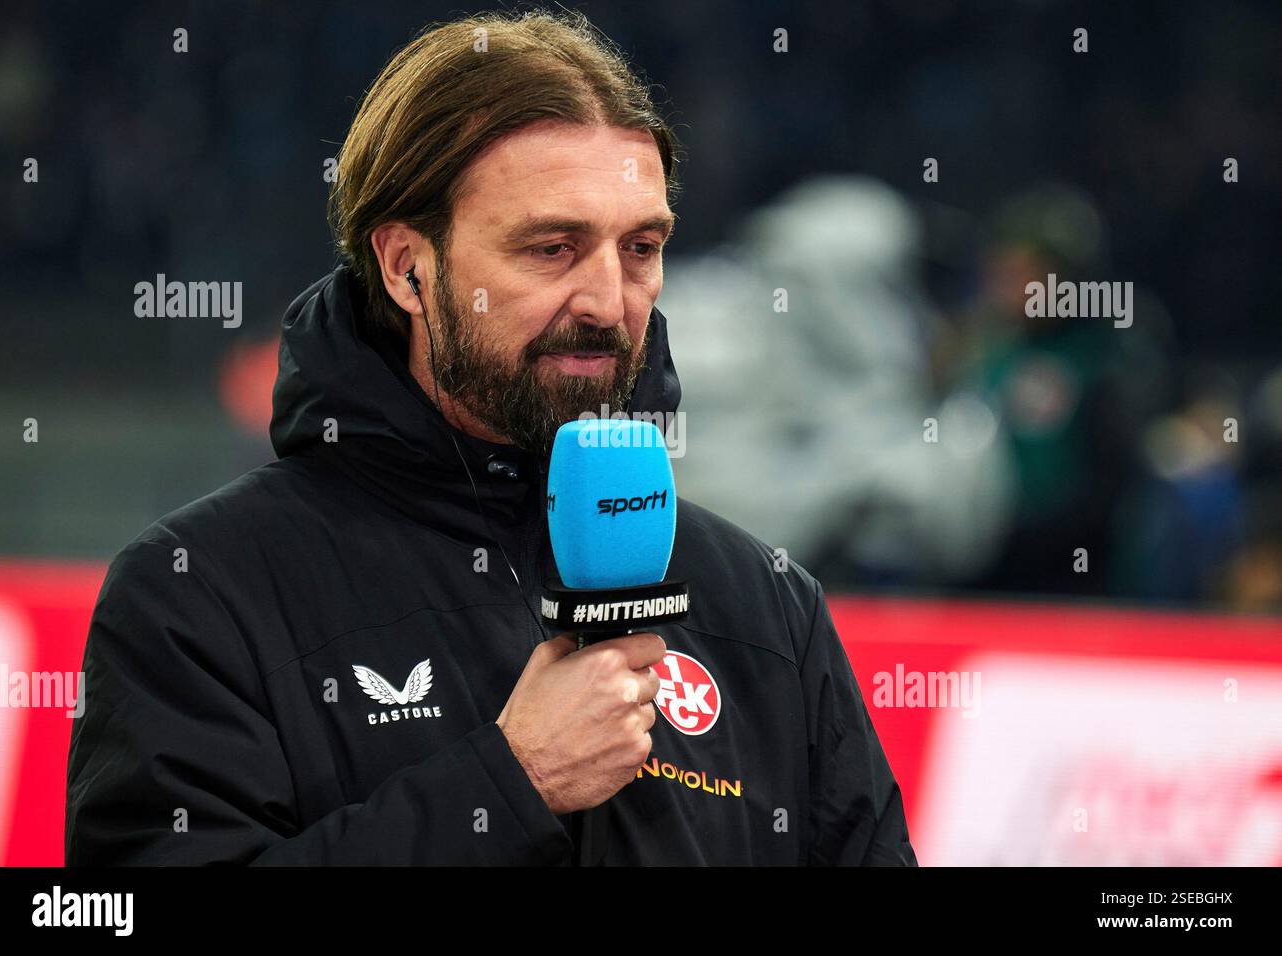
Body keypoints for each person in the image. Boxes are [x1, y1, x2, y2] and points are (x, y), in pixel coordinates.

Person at [65, 9, 916, 866]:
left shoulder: (767, 606)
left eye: (641, 247)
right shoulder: (199, 593)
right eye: (552, 248)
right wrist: (512, 784)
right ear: (406, 267)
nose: (608, 301)